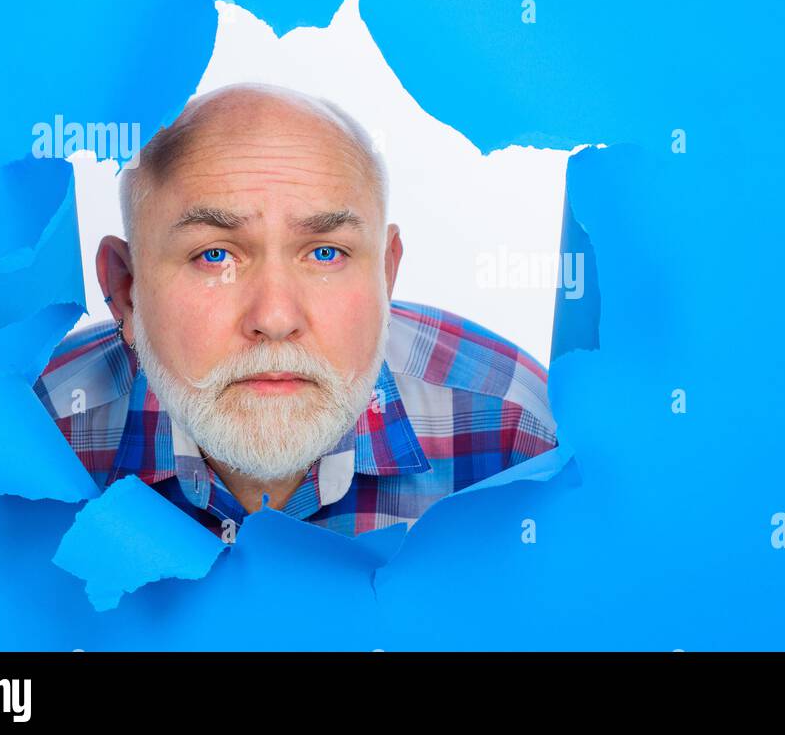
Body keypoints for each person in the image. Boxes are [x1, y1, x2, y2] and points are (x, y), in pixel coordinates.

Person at [33, 83, 558, 540]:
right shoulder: (33, 440)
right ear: (126, 290)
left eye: (325, 253)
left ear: (385, 275)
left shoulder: (515, 430)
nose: (276, 318)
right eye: (214, 256)